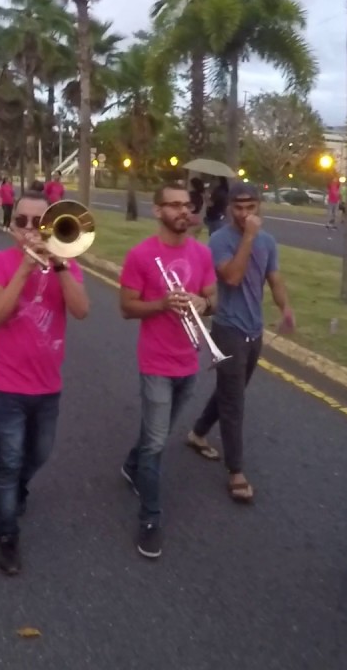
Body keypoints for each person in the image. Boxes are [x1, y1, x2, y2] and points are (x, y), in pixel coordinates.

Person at [0, 190, 90, 575]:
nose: (29, 229)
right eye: (21, 221)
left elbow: (81, 310)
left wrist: (59, 266)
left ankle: (19, 488)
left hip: (48, 385)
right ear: (11, 226)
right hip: (6, 385)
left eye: (38, 223)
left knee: (39, 454)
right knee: (8, 462)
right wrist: (25, 268)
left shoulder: (66, 264)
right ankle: (7, 534)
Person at [118, 185, 218, 559]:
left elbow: (214, 298)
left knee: (156, 435)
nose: (183, 211)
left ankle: (132, 465)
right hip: (156, 362)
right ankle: (150, 518)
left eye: (187, 205)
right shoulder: (141, 255)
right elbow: (126, 308)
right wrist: (162, 303)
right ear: (157, 210)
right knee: (157, 444)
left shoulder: (202, 253)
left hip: (188, 360)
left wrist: (203, 302)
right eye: (174, 205)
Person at [186, 183, 293, 503]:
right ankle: (236, 471)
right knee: (234, 401)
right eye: (239, 207)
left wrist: (285, 308)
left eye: (251, 207)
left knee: (230, 391)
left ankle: (198, 433)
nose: (245, 214)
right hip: (228, 328)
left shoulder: (268, 241)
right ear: (229, 207)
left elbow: (274, 279)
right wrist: (248, 237)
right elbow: (231, 278)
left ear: (259, 206)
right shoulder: (220, 240)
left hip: (254, 330)